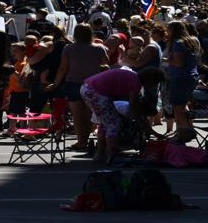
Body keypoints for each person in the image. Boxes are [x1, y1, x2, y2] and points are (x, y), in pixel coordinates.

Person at [80, 64, 165, 166]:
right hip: (95, 91)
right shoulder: (136, 82)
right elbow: (132, 107)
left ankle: (101, 153)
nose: (153, 86)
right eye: (155, 83)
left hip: (88, 87)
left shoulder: (133, 77)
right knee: (114, 123)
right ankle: (112, 155)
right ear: (150, 80)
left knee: (105, 122)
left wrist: (148, 128)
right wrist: (141, 123)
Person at [53, 23, 107, 152]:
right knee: (89, 113)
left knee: (76, 114)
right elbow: (105, 65)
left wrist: (55, 83)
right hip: (93, 83)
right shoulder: (99, 48)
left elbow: (63, 68)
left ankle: (81, 141)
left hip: (73, 83)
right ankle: (86, 139)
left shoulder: (69, 48)